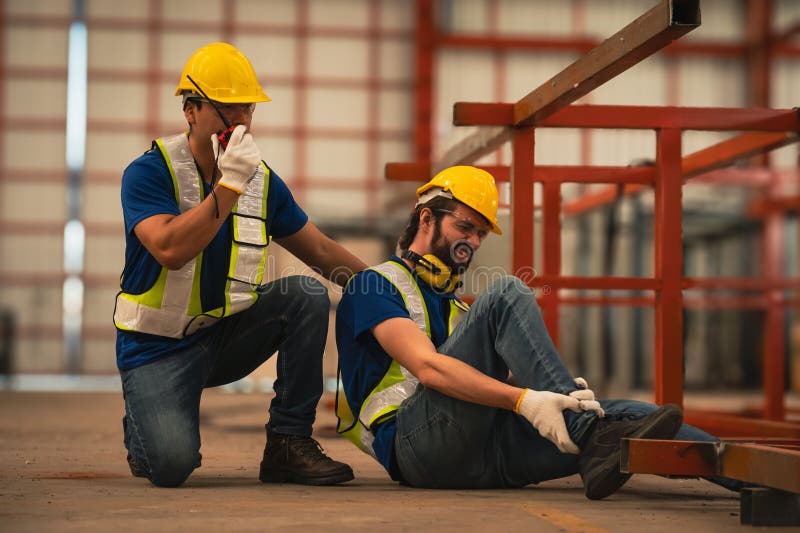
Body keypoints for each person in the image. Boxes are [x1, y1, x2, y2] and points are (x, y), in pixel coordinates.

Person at [335, 165, 737, 499]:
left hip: (484, 453)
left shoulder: (453, 306)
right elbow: (429, 370)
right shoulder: (375, 285)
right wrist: (525, 400)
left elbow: (475, 384)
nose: (472, 242)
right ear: (427, 217)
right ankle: (587, 434)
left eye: (480, 234)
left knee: (635, 416)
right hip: (417, 448)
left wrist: (557, 396)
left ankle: (756, 476)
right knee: (508, 291)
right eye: (465, 227)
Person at [115, 42, 367, 488]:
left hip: (224, 337)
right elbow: (170, 250)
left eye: (248, 109)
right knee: (171, 466)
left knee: (304, 295)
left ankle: (288, 444)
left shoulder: (261, 181)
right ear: (191, 111)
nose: (243, 123)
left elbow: (323, 254)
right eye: (228, 110)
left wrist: (392, 290)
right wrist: (229, 184)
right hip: (156, 348)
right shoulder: (149, 173)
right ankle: (143, 423)